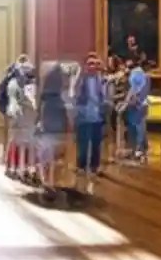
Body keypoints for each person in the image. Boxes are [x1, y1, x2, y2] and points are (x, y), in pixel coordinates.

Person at [72, 53, 108, 195]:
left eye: (95, 63)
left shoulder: (100, 79)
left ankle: (94, 167)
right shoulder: (81, 79)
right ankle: (81, 166)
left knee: (96, 144)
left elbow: (103, 97)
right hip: (84, 117)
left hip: (97, 117)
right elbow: (75, 96)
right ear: (86, 66)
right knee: (83, 143)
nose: (93, 66)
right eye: (90, 63)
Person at [35, 61, 70, 201]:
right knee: (53, 158)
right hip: (56, 129)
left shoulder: (45, 96)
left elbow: (41, 113)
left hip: (48, 129)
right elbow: (63, 113)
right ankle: (49, 182)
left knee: (45, 157)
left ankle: (45, 181)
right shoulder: (59, 96)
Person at [6, 63, 37, 181]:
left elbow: (13, 100)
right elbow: (33, 102)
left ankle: (19, 169)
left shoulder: (13, 83)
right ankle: (29, 169)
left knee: (21, 144)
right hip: (28, 116)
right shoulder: (31, 85)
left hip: (19, 116)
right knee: (29, 144)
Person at [123, 65, 151, 162]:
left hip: (140, 107)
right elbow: (132, 90)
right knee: (137, 128)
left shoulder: (141, 77)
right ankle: (138, 149)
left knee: (139, 128)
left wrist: (131, 101)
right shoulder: (141, 77)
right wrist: (127, 102)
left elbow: (138, 93)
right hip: (136, 106)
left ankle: (140, 149)